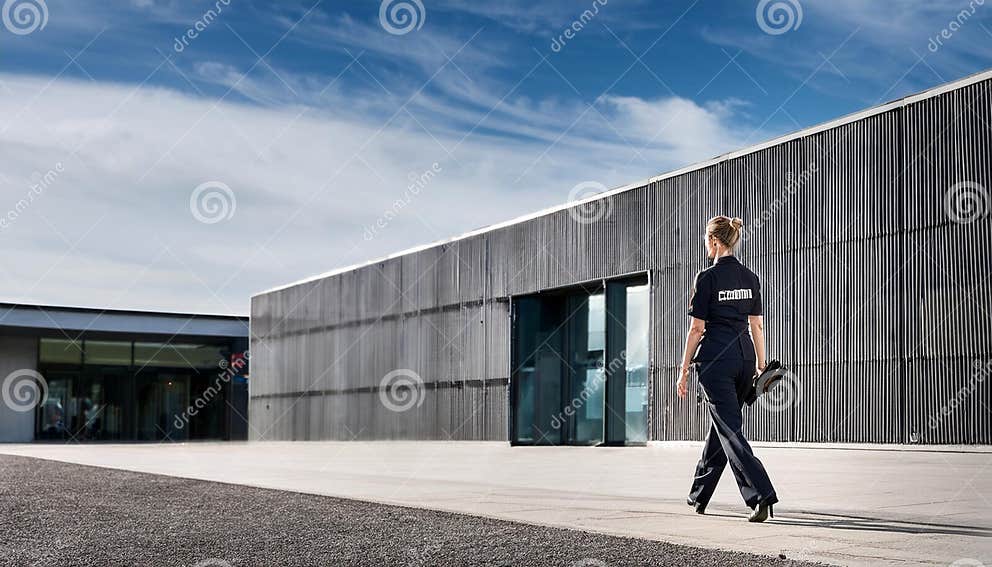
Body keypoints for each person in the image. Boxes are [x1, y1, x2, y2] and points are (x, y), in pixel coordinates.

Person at [677, 215, 778, 522]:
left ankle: (762, 494)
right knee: (722, 426)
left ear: (715, 241)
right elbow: (757, 325)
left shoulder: (706, 278)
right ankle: (699, 494)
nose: (706, 246)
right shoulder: (751, 277)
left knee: (730, 429)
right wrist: (761, 364)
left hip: (716, 362)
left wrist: (682, 370)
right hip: (744, 359)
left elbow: (696, 329)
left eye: (707, 241)